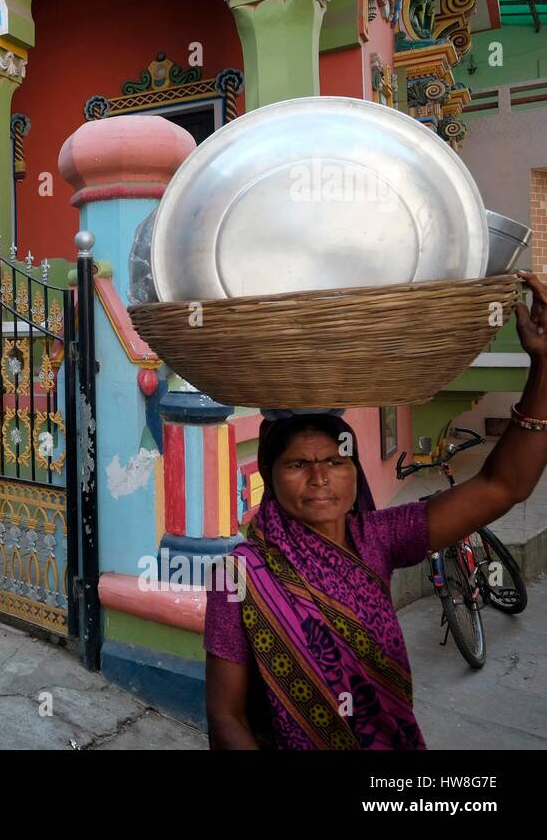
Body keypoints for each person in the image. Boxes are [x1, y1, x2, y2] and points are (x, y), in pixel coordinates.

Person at [205, 270, 547, 749]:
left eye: (334, 461)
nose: (320, 478)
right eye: (298, 463)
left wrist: (544, 367)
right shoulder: (238, 575)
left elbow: (503, 486)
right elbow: (226, 717)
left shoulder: (378, 537)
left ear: (354, 470)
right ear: (270, 473)